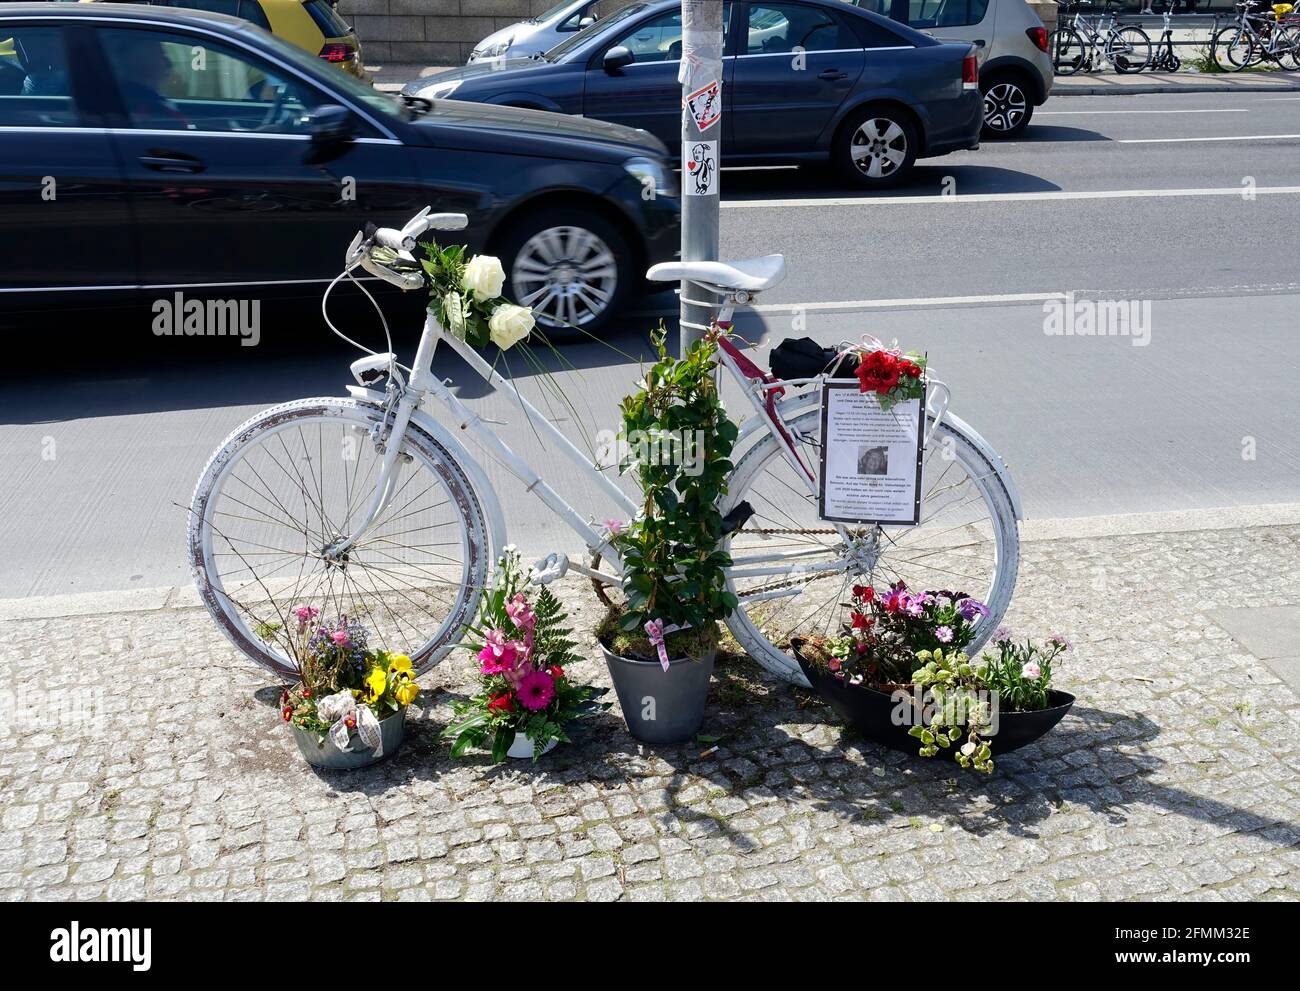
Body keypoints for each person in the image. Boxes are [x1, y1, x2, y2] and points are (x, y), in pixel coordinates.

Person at [115, 35, 190, 129]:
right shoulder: (155, 111)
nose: (168, 63)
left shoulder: (125, 97)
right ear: (139, 63)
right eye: (160, 56)